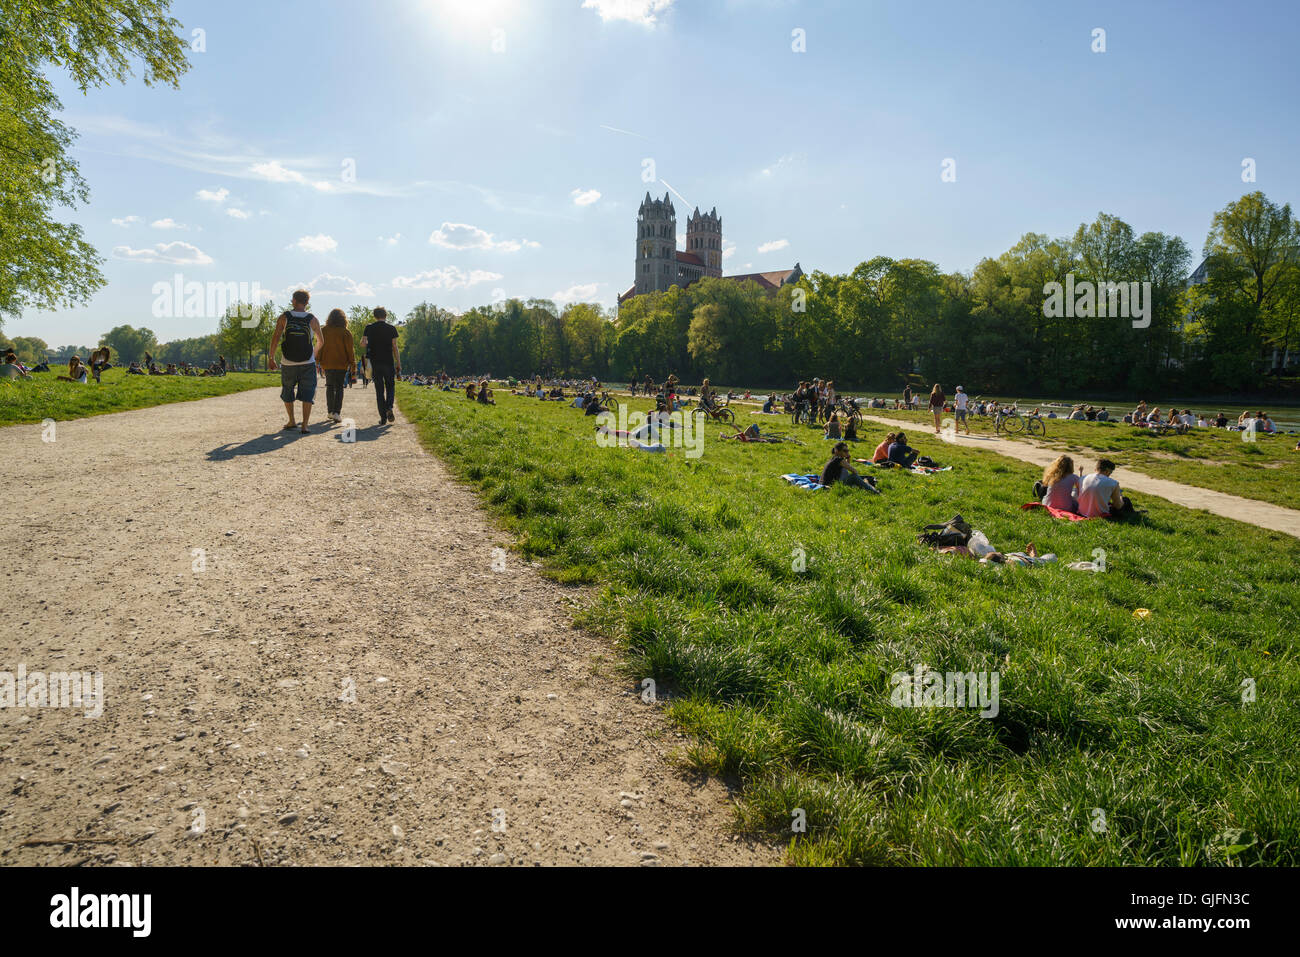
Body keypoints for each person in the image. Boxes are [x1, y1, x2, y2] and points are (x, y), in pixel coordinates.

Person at [268, 289, 323, 434]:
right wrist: (313, 354)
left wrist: (271, 357)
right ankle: (304, 425)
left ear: (293, 300)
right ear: (307, 303)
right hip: (307, 362)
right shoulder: (312, 319)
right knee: (308, 392)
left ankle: (292, 420)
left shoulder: (284, 317)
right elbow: (321, 341)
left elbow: (275, 338)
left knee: (287, 390)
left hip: (288, 362)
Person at [361, 307, 400, 426]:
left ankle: (383, 418)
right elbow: (394, 346)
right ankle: (389, 407)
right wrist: (398, 362)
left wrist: (368, 341)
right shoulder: (391, 328)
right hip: (388, 361)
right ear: (385, 315)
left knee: (379, 390)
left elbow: (363, 344)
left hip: (375, 362)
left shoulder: (369, 328)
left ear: (375, 316)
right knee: (390, 386)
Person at [319, 309, 356, 424]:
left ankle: (330, 411)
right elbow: (350, 350)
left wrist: (318, 361)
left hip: (327, 362)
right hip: (341, 363)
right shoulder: (345, 332)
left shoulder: (323, 330)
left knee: (329, 386)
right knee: (339, 387)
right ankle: (336, 412)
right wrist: (352, 363)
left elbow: (320, 346)